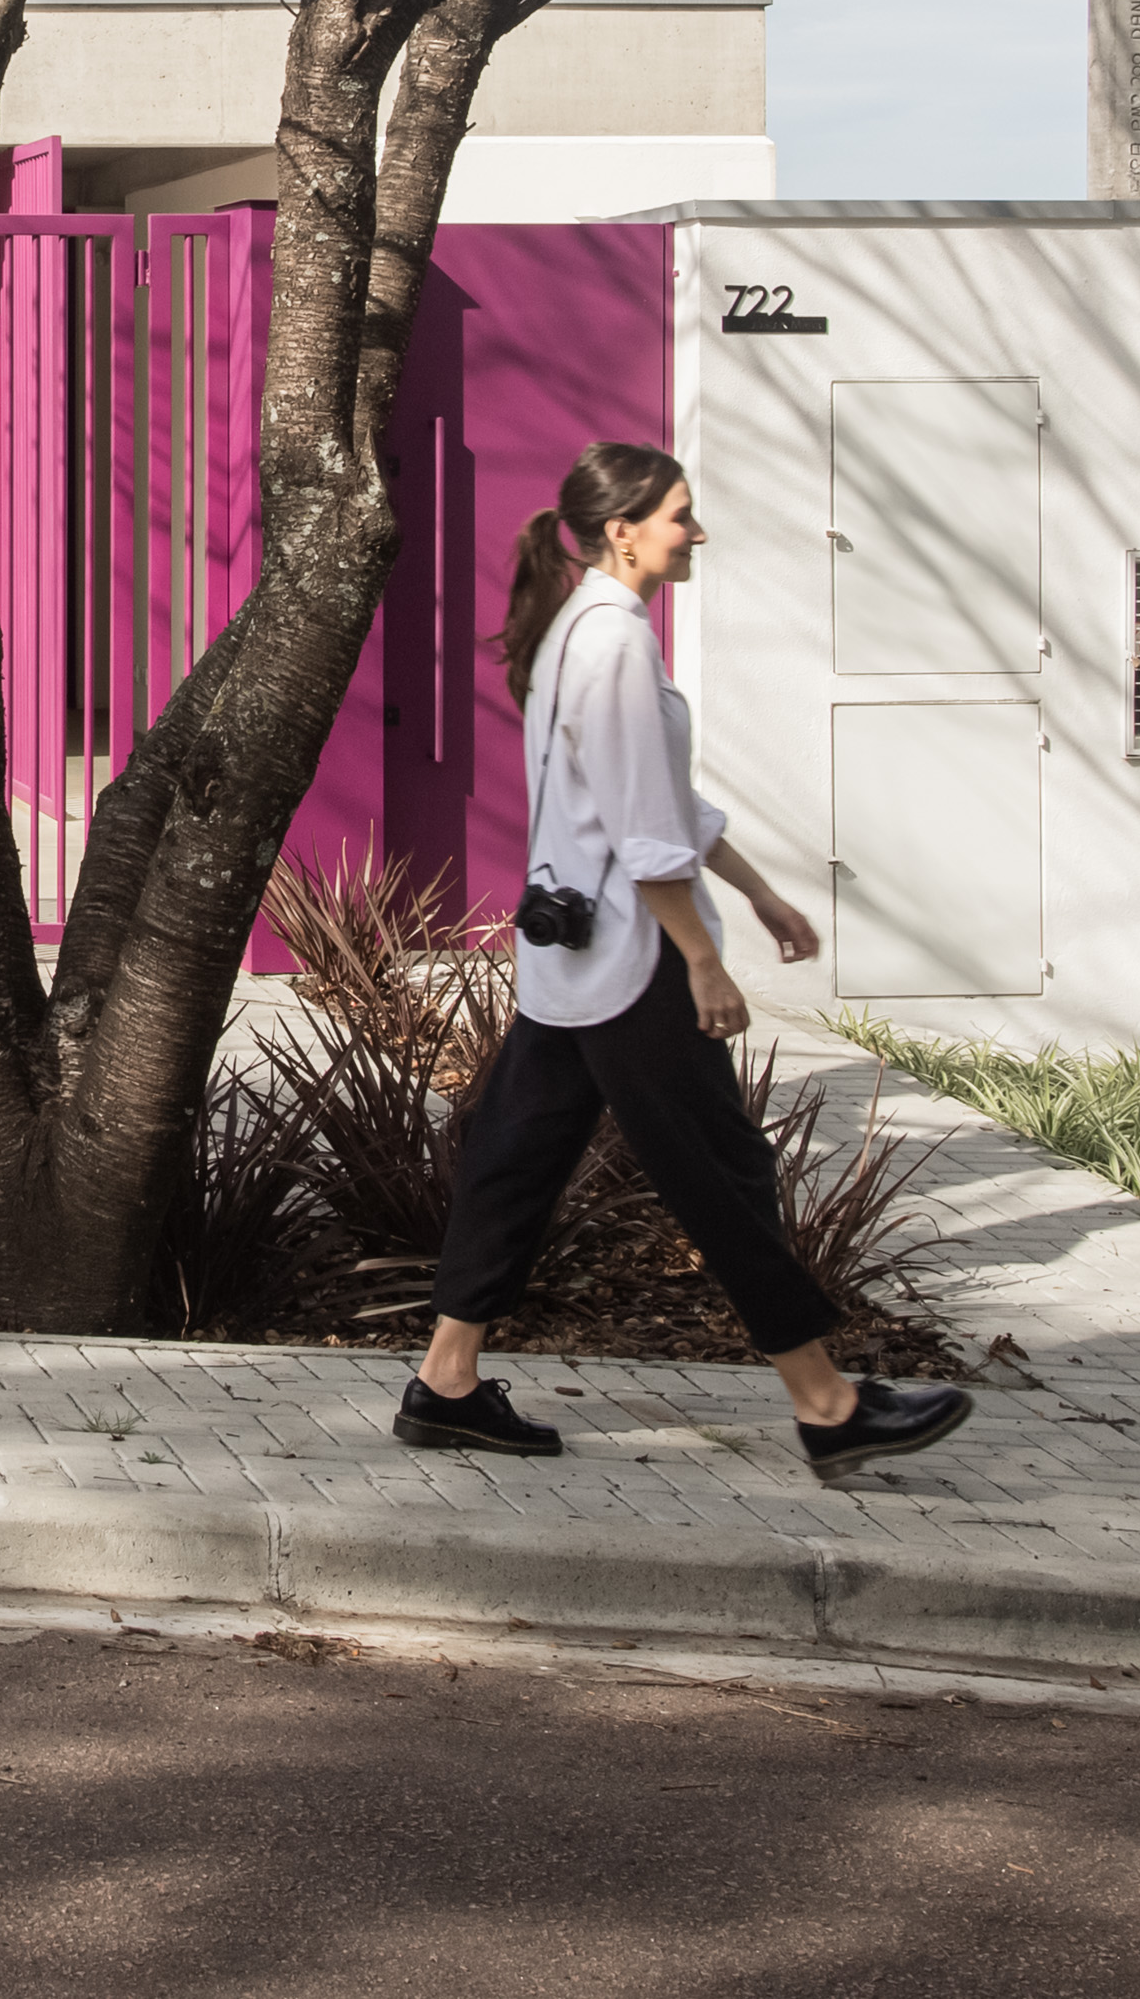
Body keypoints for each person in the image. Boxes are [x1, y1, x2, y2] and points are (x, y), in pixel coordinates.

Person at [394, 439, 975, 1481]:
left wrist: (756, 889)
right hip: (632, 956)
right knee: (720, 1170)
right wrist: (703, 957)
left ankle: (446, 1382)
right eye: (679, 515)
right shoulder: (613, 642)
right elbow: (642, 829)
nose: (695, 531)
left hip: (572, 955)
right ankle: (827, 1404)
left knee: (515, 1158)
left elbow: (662, 801)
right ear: (622, 531)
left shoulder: (579, 628)